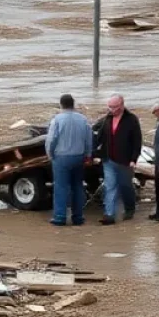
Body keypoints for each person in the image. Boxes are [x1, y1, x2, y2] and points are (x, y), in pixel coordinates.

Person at [45, 94, 93, 227]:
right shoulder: (83, 119)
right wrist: (88, 154)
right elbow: (88, 139)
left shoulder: (57, 120)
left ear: (61, 105)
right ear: (73, 104)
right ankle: (78, 217)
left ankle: (60, 217)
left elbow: (51, 139)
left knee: (61, 187)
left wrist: (49, 153)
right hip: (79, 156)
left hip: (61, 157)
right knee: (77, 186)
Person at [95, 94, 142, 225]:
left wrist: (134, 159)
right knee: (110, 186)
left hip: (125, 160)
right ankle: (109, 215)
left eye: (114, 107)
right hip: (108, 159)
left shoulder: (131, 119)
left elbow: (137, 141)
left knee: (125, 186)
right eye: (109, 107)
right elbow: (99, 136)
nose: (111, 109)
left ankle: (129, 208)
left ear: (121, 105)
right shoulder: (107, 119)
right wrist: (94, 153)